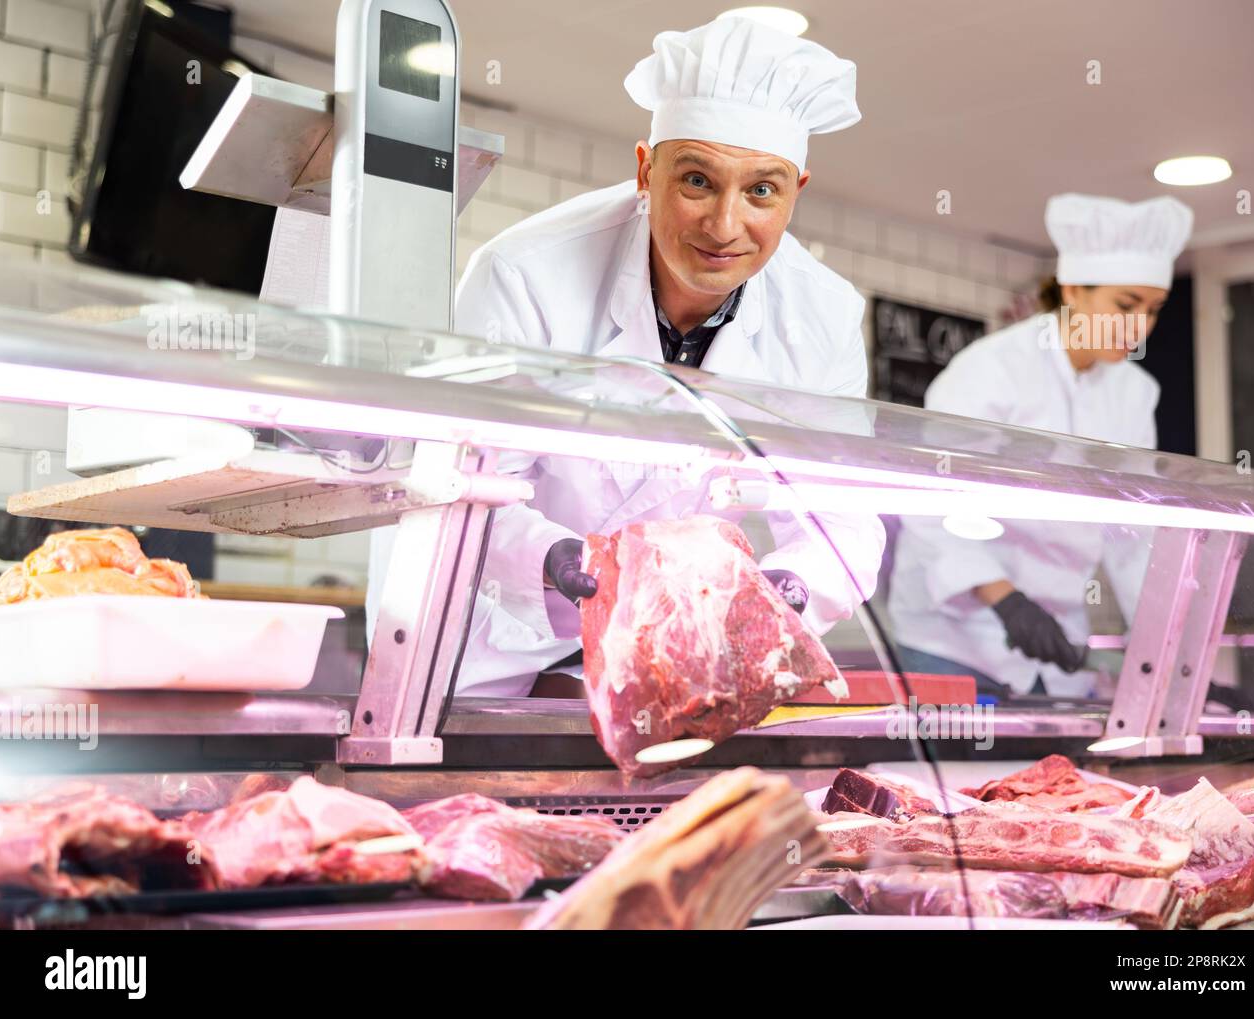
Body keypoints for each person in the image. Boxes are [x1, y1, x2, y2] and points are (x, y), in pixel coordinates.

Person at [366, 17, 886, 697]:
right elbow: (456, 484)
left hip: (670, 662)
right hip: (487, 653)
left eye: (762, 190)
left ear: (797, 192)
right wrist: (552, 559)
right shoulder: (526, 275)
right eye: (697, 180)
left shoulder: (823, 318)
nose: (726, 226)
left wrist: (790, 588)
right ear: (645, 169)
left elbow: (841, 518)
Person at [886, 193, 1194, 699]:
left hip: (1057, 639)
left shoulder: (1135, 393)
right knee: (952, 779)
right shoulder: (992, 370)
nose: (1140, 327)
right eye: (1125, 305)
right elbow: (934, 501)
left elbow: (1131, 536)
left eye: (1154, 309)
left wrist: (1168, 659)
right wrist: (1007, 601)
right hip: (951, 637)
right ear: (1072, 288)